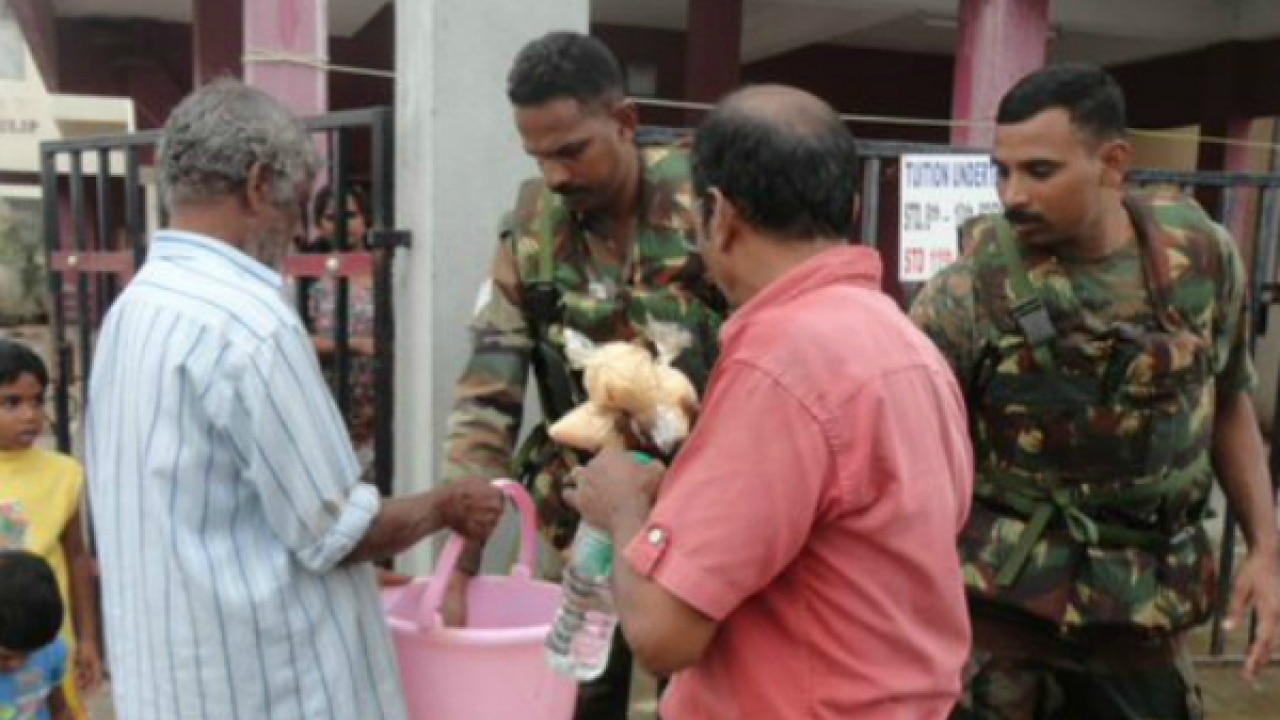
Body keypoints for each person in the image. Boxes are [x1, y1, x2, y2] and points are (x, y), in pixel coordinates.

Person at [84, 79, 504, 720]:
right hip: (265, 690)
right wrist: (447, 504)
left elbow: (209, 509)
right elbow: (334, 527)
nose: (299, 233)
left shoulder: (135, 308)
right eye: (297, 206)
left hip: (169, 685)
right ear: (258, 184)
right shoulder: (251, 322)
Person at [569, 85, 974, 720]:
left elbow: (662, 634)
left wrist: (620, 506)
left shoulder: (783, 360)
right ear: (855, 202)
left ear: (718, 213)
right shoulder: (904, 343)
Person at [910, 63, 1280, 719]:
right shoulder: (967, 292)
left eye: (1040, 171)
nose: (1012, 194)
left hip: (1143, 624)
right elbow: (906, 451)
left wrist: (1265, 548)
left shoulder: (1201, 258)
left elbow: (1227, 401)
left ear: (1113, 163)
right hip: (1002, 628)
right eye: (1002, 170)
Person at [439, 31, 724, 718]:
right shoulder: (531, 233)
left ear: (624, 122)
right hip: (581, 535)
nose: (557, 176)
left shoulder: (711, 212)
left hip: (701, 529)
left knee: (691, 697)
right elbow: (487, 398)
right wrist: (460, 564)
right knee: (571, 696)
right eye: (539, 157)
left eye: (571, 151)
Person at [0, 339, 101, 720]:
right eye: (11, 402)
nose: (30, 415)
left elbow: (76, 557)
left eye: (37, 400)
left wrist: (88, 638)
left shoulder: (63, 474)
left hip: (47, 642)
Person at [304, 185, 379, 483]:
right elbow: (295, 341)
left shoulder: (388, 273)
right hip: (327, 414)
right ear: (319, 224)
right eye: (331, 217)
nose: (341, 225)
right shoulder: (307, 279)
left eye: (350, 216)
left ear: (367, 220)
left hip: (381, 414)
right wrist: (354, 346)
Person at [0, 550, 72, 720]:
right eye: (5, 657)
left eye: (28, 654)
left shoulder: (50, 652)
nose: (17, 664)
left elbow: (59, 709)